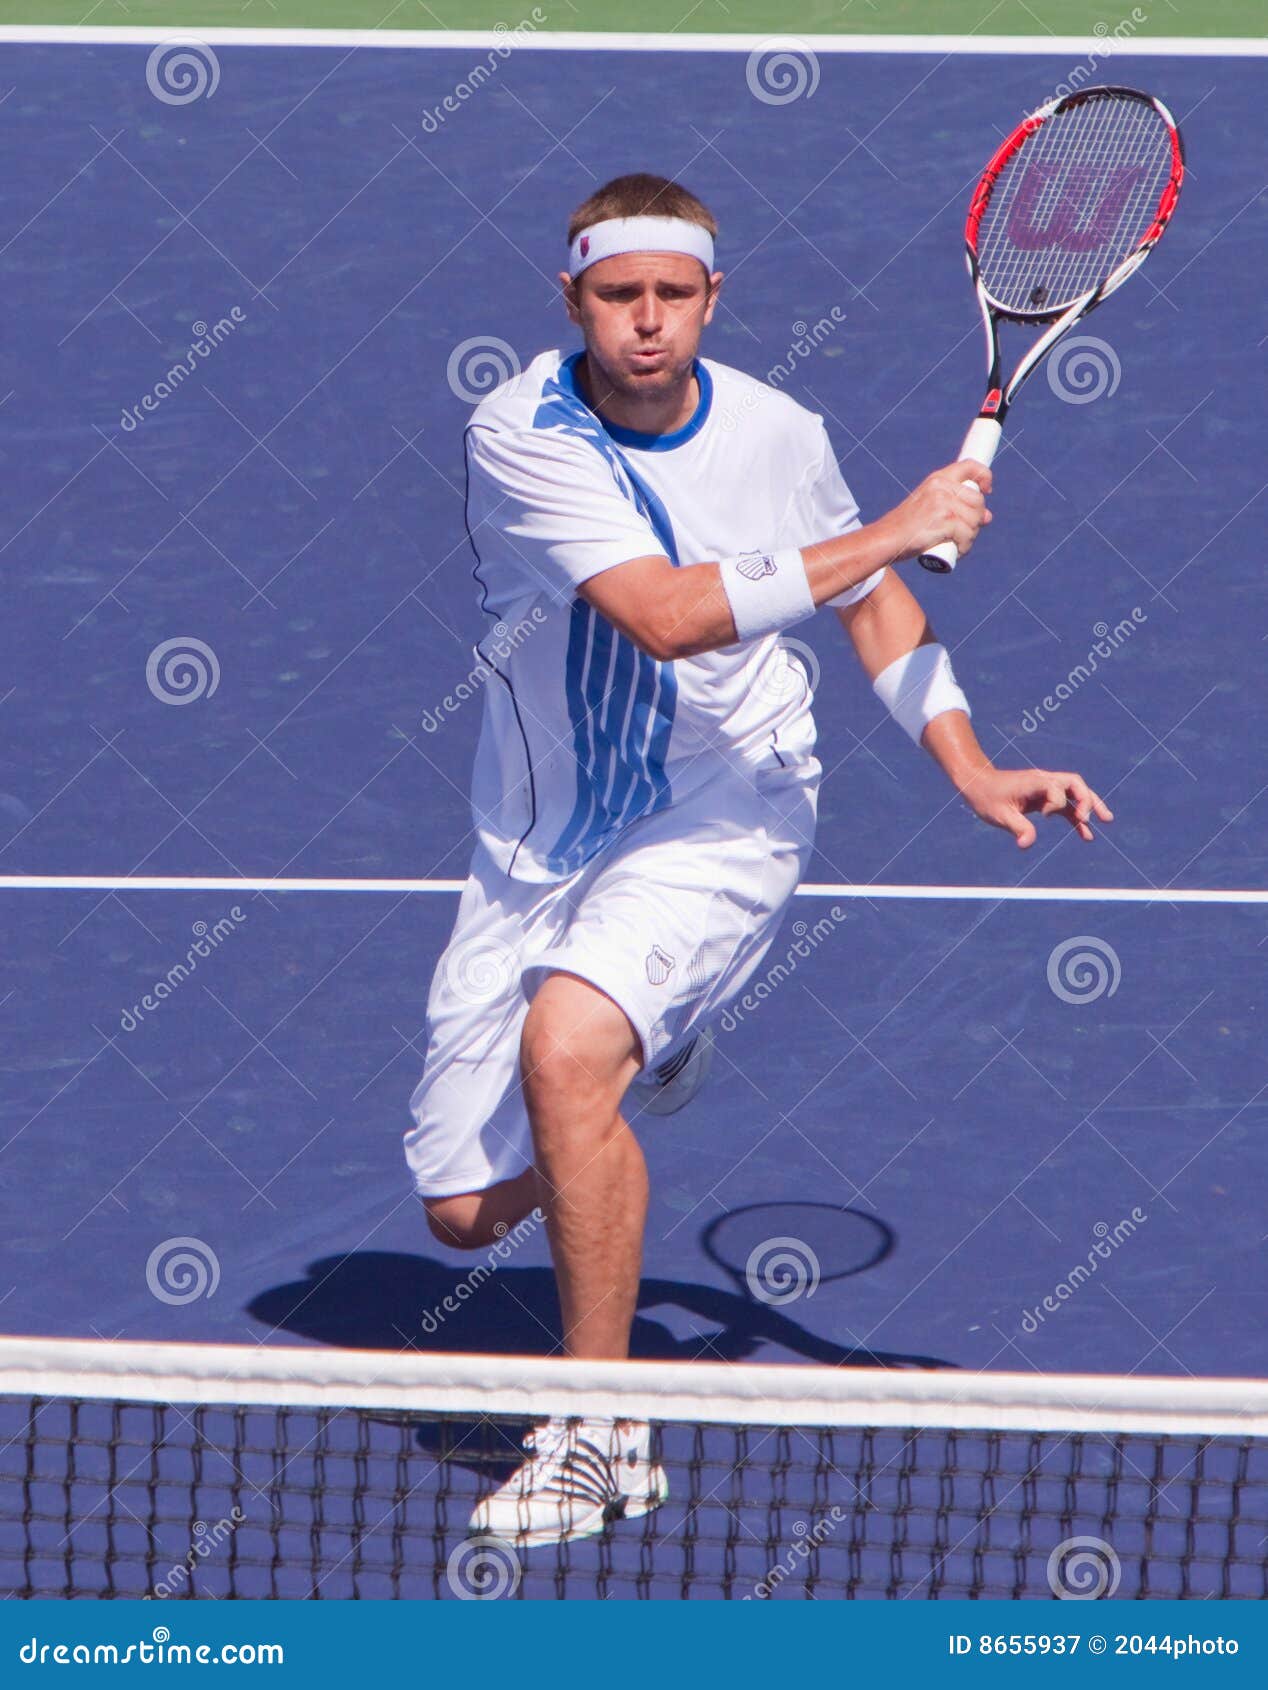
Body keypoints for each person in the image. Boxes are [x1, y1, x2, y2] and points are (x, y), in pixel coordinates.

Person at [404, 173, 1112, 1547]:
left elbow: (869, 598)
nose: (648, 322)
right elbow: (669, 617)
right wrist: (903, 521)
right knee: (459, 1210)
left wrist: (965, 758)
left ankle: (600, 1436)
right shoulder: (522, 432)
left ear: (714, 300)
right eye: (620, 296)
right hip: (539, 840)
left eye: (675, 295)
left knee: (564, 1053)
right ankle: (654, 1053)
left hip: (726, 809)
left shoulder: (780, 432)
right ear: (573, 302)